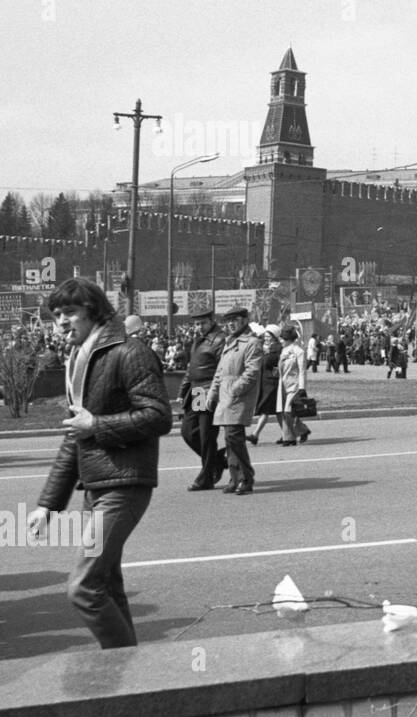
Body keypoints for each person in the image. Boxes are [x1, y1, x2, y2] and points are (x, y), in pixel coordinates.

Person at [27, 278, 172, 648]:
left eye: (70, 312)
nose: (61, 321)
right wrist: (48, 504)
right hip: (96, 490)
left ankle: (120, 667)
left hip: (123, 488)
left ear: (93, 311)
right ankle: (131, 674)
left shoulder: (129, 351)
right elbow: (75, 435)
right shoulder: (79, 358)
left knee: (83, 586)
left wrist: (98, 424)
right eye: (56, 314)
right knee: (106, 583)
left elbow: (158, 416)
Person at [206, 306, 264, 495]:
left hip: (238, 397)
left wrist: (235, 389)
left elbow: (252, 372)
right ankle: (234, 477)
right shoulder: (229, 343)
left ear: (244, 320)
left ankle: (246, 477)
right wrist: (212, 393)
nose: (230, 324)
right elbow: (220, 372)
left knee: (234, 436)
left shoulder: (252, 343)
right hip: (225, 397)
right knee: (230, 438)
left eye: (234, 320)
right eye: (228, 321)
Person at [179, 306, 227, 492]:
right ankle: (216, 462)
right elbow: (192, 369)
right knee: (189, 432)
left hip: (209, 390)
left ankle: (206, 477)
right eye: (197, 323)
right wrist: (182, 391)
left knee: (207, 436)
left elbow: (222, 369)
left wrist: (215, 393)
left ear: (211, 321)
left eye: (202, 323)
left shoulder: (219, 339)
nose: (199, 326)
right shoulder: (199, 340)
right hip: (197, 390)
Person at [276, 327, 311, 444]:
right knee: (284, 412)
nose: (281, 340)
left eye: (283, 338)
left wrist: (302, 388)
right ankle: (301, 431)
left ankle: (290, 437)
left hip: (294, 385)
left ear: (289, 339)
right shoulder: (283, 351)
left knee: (287, 411)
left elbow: (302, 371)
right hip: (283, 385)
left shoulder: (299, 351)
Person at [249, 324, 281, 445]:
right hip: (264, 382)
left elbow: (268, 362)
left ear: (274, 337)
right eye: (266, 336)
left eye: (269, 336)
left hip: (271, 383)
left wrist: (265, 353)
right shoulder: (265, 346)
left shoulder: (277, 348)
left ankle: (255, 434)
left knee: (265, 409)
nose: (266, 338)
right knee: (278, 412)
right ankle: (290, 433)